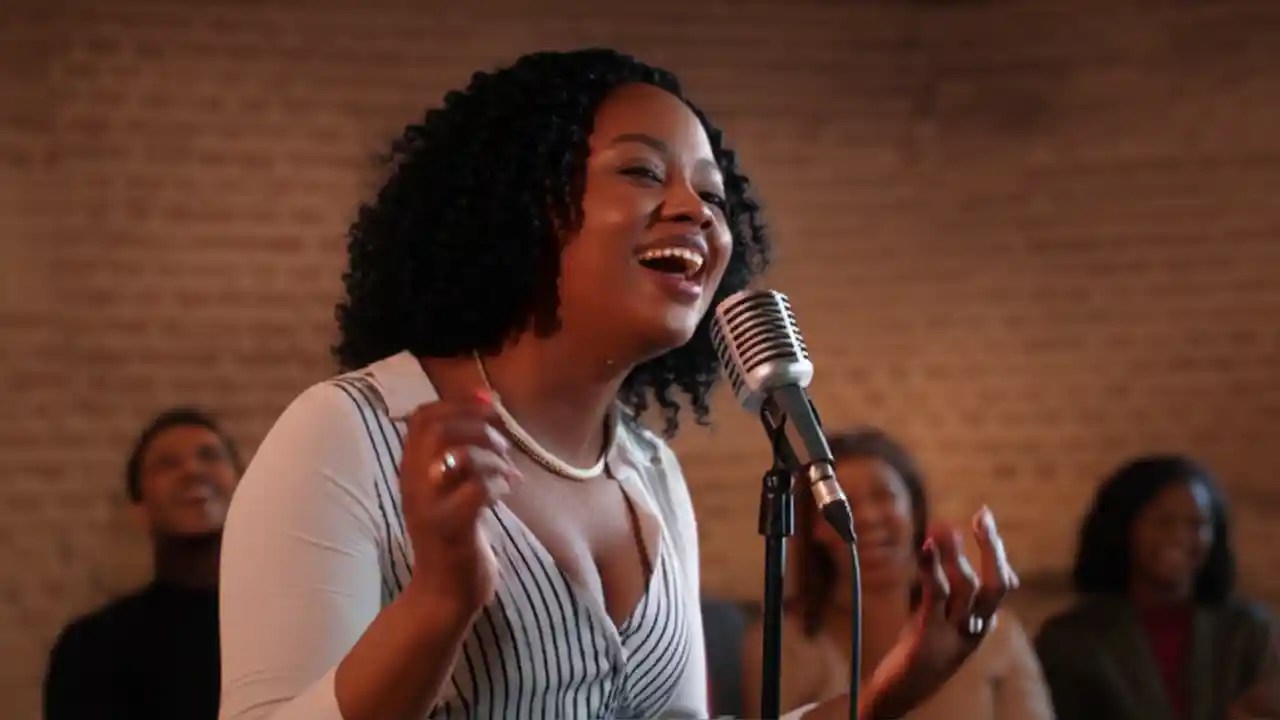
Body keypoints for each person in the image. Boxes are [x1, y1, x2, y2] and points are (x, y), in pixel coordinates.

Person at [217, 48, 1019, 720]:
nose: (695, 213)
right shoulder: (349, 433)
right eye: (642, 171)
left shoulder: (649, 472)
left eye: (712, 194)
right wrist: (439, 603)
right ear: (523, 205)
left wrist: (888, 691)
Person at [741, 427, 1052, 719]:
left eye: (883, 496)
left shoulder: (993, 633)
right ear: (814, 528)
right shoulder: (783, 645)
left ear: (914, 511)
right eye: (842, 502)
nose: (865, 516)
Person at [1035, 454, 1280, 720]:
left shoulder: (1249, 631)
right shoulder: (1070, 640)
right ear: (1123, 528)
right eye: (1163, 522)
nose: (1179, 537)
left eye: (1196, 524)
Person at [44, 407, 244, 720]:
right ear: (139, 509)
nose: (192, 470)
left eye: (210, 455)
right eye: (167, 464)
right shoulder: (92, 648)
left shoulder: (292, 625)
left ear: (243, 489)